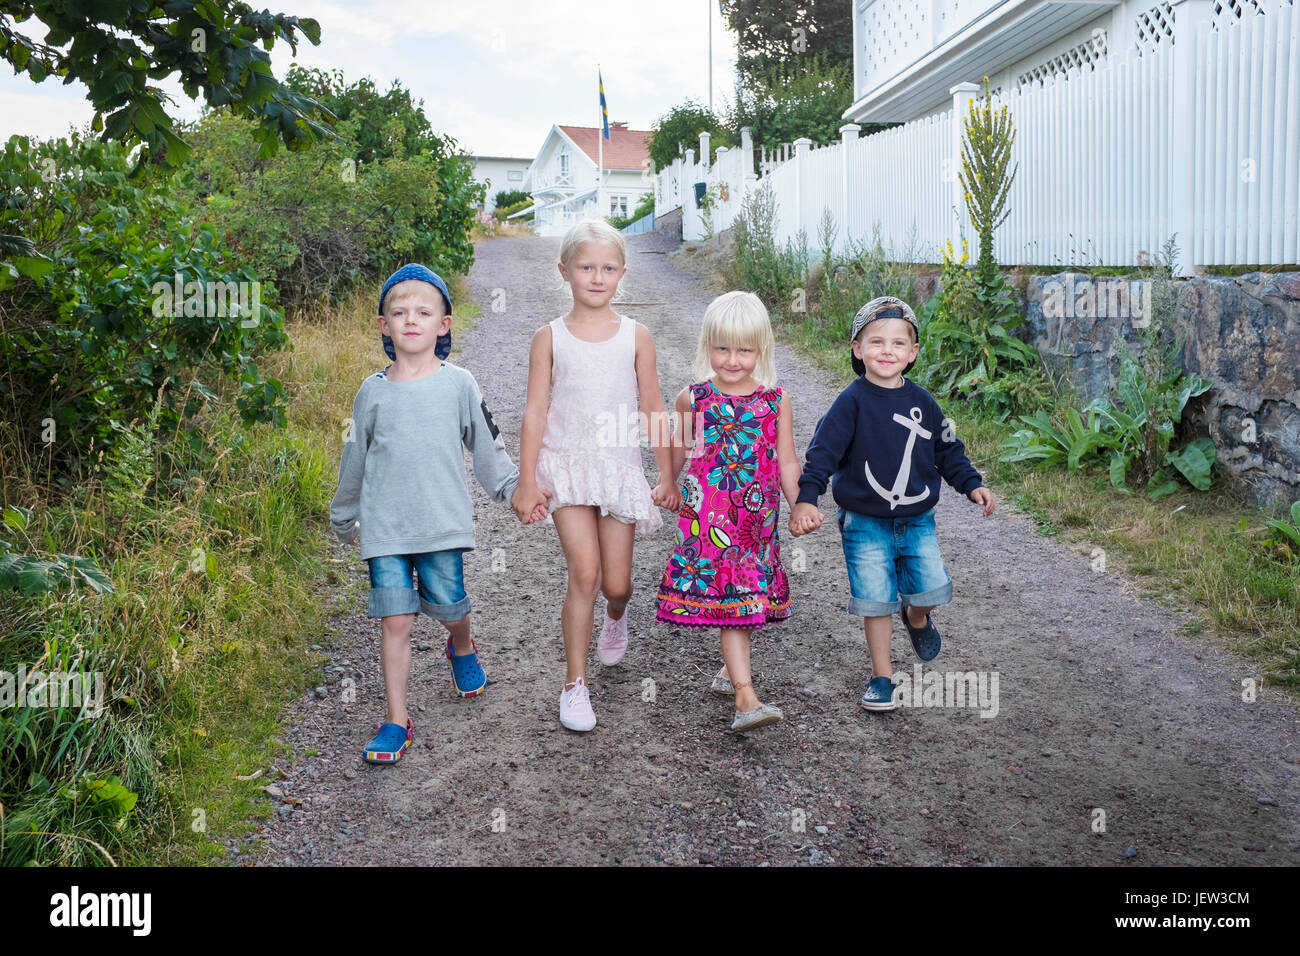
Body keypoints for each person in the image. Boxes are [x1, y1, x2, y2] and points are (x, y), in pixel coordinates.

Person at [330, 264, 520, 763]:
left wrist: (513, 488)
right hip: (386, 530)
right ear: (383, 326)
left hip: (441, 525)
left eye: (423, 311)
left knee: (449, 605)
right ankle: (396, 719)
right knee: (395, 621)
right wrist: (344, 516)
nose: (410, 319)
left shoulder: (458, 385)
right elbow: (355, 459)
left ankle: (462, 645)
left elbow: (487, 444)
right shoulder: (371, 393)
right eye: (399, 312)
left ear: (444, 324)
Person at [512, 219, 680, 732]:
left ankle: (616, 615)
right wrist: (525, 480)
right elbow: (535, 412)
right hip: (565, 468)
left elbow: (653, 406)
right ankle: (574, 685)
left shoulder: (636, 336)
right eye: (586, 267)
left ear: (623, 273)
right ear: (565, 271)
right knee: (583, 575)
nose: (597, 277)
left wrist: (669, 475)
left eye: (608, 268)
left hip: (617, 470)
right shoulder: (550, 338)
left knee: (617, 583)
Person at [789, 296, 995, 712]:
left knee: (932, 588)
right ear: (856, 348)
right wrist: (805, 499)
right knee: (876, 599)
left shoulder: (925, 404)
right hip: (864, 520)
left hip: (916, 518)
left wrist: (971, 484)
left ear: (913, 352)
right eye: (876, 341)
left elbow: (948, 451)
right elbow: (822, 454)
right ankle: (882, 677)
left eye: (899, 344)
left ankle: (916, 616)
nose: (887, 351)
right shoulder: (851, 403)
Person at [655, 291, 813, 732]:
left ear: (761, 349)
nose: (732, 359)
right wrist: (667, 482)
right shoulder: (695, 398)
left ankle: (730, 669)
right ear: (707, 345)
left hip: (756, 524)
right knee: (734, 601)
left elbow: (786, 460)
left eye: (744, 349)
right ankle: (745, 696)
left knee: (745, 596)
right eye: (722, 348)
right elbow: (678, 445)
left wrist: (800, 502)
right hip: (710, 521)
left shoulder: (775, 401)